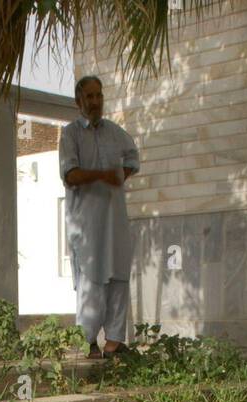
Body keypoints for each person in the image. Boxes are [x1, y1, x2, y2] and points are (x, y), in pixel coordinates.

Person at [58, 75, 140, 359]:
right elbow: (70, 175)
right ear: (78, 101)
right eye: (89, 97)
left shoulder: (116, 133)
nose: (95, 102)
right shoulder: (70, 134)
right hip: (87, 223)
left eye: (98, 96)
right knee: (91, 283)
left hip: (115, 219)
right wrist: (104, 175)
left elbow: (132, 158)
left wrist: (121, 175)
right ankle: (88, 343)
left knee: (119, 277)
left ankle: (114, 344)